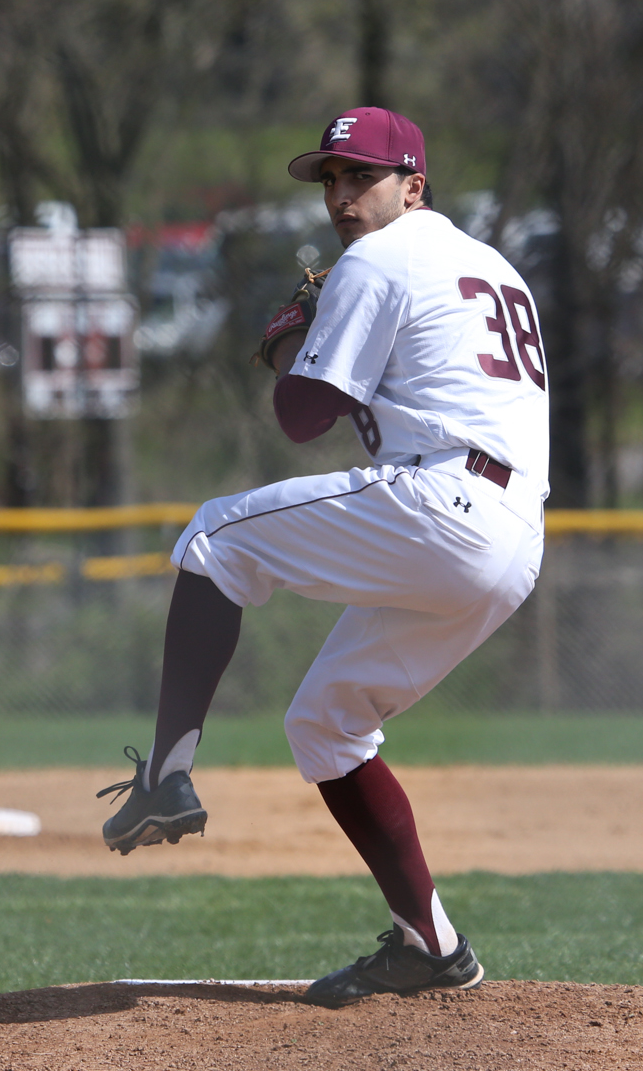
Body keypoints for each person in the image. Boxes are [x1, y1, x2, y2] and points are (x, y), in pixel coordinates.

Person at [98, 107, 548, 1005]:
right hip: (513, 537)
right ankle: (433, 945)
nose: (342, 196)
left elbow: (302, 419)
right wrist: (309, 347)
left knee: (212, 540)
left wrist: (290, 345)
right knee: (327, 724)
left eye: (362, 177)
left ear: (414, 186)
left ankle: (165, 774)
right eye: (332, 179)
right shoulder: (496, 267)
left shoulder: (379, 259)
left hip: (446, 501)